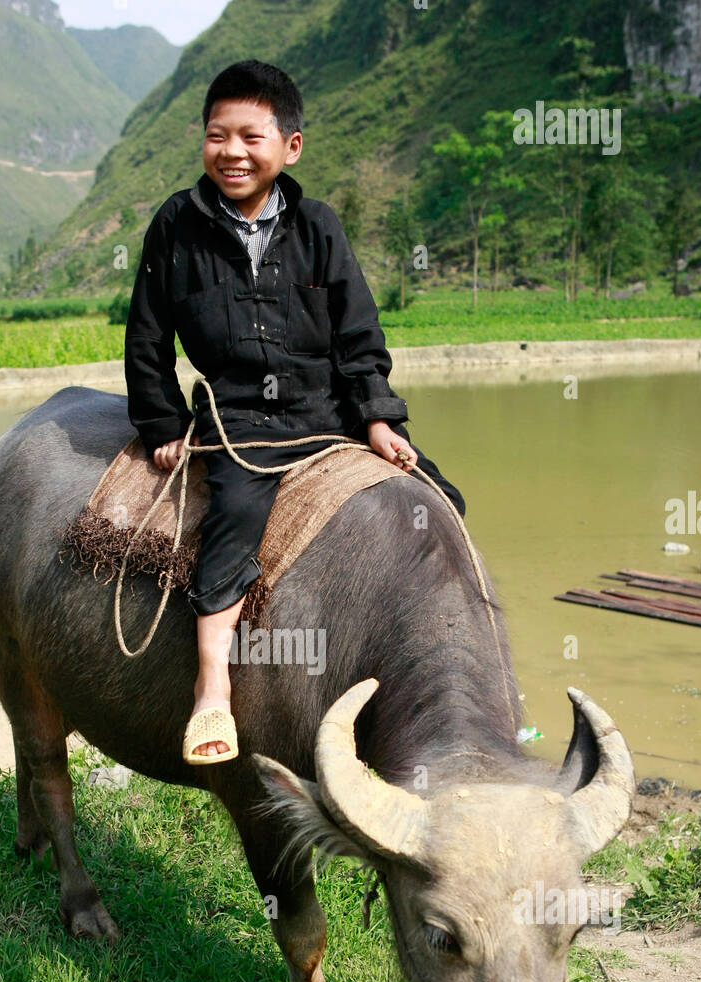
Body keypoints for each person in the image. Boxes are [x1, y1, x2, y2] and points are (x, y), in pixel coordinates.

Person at [124, 59, 464, 764]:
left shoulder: (318, 226)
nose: (233, 152)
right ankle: (212, 688)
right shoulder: (175, 227)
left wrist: (376, 417)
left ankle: (439, 677)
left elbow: (359, 334)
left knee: (441, 498)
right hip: (239, 418)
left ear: (291, 146)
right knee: (233, 527)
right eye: (218, 135)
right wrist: (160, 423)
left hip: (328, 410)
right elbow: (147, 337)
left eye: (252, 136)